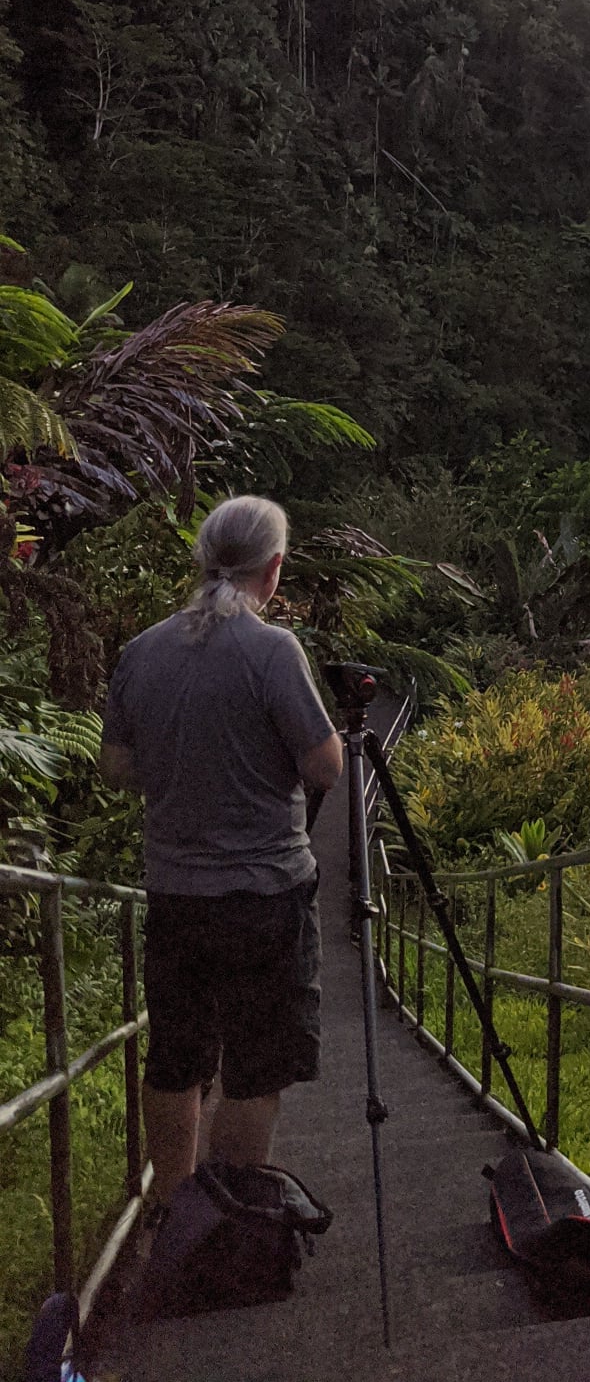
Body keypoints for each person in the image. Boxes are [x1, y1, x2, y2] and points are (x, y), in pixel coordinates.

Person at [99, 495, 344, 1207]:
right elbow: (325, 766)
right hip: (265, 894)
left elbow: (115, 767)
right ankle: (233, 1220)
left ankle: (174, 1217)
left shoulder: (142, 651)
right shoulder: (272, 650)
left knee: (176, 1059)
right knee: (256, 1063)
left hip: (176, 895)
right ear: (272, 568)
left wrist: (183, 767)